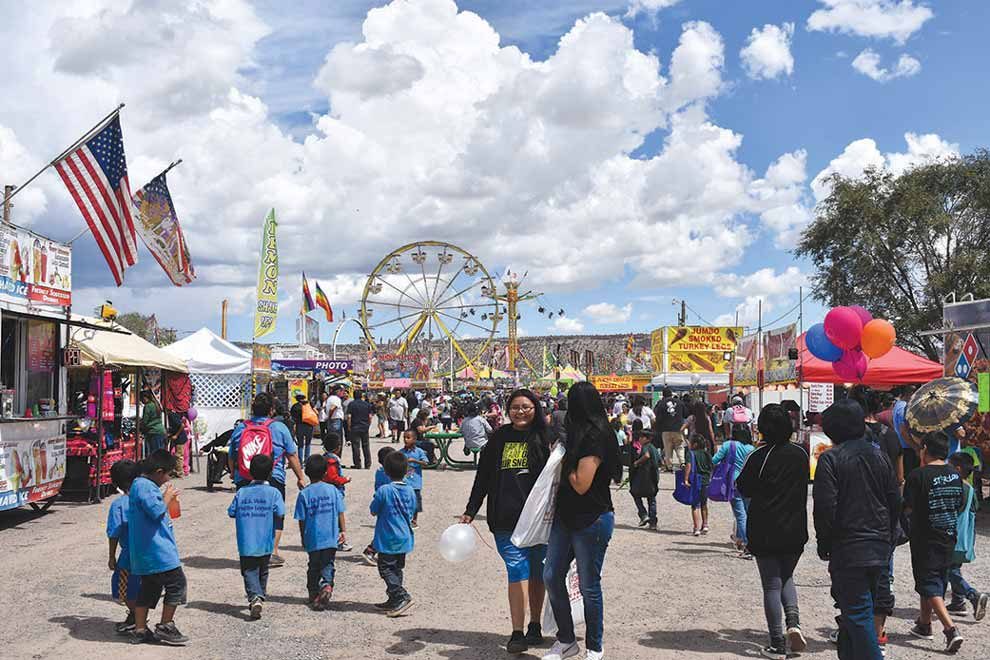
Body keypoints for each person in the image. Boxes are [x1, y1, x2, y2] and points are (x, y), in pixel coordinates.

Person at [462, 388, 550, 655]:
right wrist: (471, 508)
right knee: (517, 570)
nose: (520, 412)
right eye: (515, 407)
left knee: (538, 572)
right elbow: (484, 476)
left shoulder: (546, 438)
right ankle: (517, 632)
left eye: (526, 407)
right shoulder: (499, 438)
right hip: (505, 517)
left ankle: (535, 624)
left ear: (535, 408)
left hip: (539, 519)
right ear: (507, 410)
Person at [813, 399, 900, 660]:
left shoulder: (830, 459)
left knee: (858, 614)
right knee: (857, 614)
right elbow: (894, 500)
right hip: (879, 545)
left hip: (849, 547)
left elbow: (825, 507)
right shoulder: (879, 456)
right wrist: (890, 536)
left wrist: (824, 542)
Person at [543, 382, 620, 660]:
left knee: (589, 585)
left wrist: (561, 462)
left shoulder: (596, 437)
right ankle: (566, 639)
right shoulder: (577, 434)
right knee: (551, 576)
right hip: (566, 517)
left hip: (592, 519)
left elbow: (580, 484)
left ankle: (594, 645)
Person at [736, 404, 809, 660]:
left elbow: (742, 487)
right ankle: (794, 622)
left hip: (766, 528)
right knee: (787, 576)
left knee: (771, 585)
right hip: (795, 528)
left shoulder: (759, 456)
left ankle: (777, 643)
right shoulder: (801, 454)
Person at [903, 431, 965, 652]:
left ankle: (950, 630)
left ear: (925, 450)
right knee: (936, 579)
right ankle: (924, 623)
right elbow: (960, 502)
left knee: (929, 583)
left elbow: (907, 507)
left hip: (924, 538)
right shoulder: (955, 475)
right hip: (948, 536)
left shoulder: (917, 476)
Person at [228, 393, 306, 568]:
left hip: (245, 476)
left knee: (250, 514)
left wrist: (234, 473)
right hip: (273, 476)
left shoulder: (241, 428)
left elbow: (232, 453)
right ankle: (272, 551)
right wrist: (300, 477)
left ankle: (250, 551)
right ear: (271, 410)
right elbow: (292, 454)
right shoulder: (279, 428)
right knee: (276, 513)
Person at [127, 449, 188, 645]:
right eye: (168, 473)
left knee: (149, 588)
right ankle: (166, 626)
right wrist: (167, 497)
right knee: (177, 584)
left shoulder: (141, 485)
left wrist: (164, 497)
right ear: (159, 471)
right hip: (158, 551)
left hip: (148, 551)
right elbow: (155, 511)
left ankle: (140, 629)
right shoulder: (144, 486)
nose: (169, 478)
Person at [227, 454, 284, 619]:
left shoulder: (242, 492)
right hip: (266, 542)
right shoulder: (274, 492)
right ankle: (259, 595)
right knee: (263, 570)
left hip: (246, 543)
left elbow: (231, 512)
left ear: (250, 472)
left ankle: (255, 597)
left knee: (249, 571)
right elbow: (280, 512)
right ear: (270, 473)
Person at [295, 454, 347, 611]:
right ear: (325, 472)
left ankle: (313, 592)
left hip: (313, 537)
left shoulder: (304, 494)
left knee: (313, 565)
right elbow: (340, 512)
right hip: (331, 537)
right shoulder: (332, 490)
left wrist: (303, 537)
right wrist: (343, 530)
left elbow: (301, 519)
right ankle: (326, 586)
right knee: (328, 564)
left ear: (307, 473)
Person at [371, 450, 417, 616]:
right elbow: (412, 511)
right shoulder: (411, 491)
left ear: (386, 471)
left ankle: (401, 595)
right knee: (397, 568)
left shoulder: (384, 490)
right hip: (404, 536)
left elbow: (373, 510)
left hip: (388, 538)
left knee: (385, 568)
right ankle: (393, 599)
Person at [946, 452, 988, 621]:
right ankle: (957, 602)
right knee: (955, 567)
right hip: (965, 538)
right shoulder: (970, 489)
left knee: (949, 570)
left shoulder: (955, 488)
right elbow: (974, 509)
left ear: (956, 469)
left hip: (952, 537)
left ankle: (973, 595)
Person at [107, 459, 141, 634]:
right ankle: (136, 617)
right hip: (149, 552)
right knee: (141, 586)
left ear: (115, 483)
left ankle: (136, 617)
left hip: (129, 555)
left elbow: (114, 532)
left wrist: (112, 556)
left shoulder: (118, 505)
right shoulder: (148, 498)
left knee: (123, 587)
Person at [712, 425, 755, 558]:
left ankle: (745, 543)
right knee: (749, 513)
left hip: (733, 482)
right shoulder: (751, 448)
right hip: (749, 483)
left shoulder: (728, 445)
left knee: (740, 515)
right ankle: (747, 538)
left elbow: (714, 460)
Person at [362, 446, 396, 566]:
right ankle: (370, 550)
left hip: (382, 504)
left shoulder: (379, 472)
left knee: (386, 529)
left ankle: (382, 551)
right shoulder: (388, 474)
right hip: (388, 505)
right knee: (386, 530)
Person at [628, 421, 660, 531]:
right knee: (652, 499)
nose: (640, 439)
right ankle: (653, 522)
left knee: (635, 493)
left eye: (642, 437)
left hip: (645, 477)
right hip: (654, 478)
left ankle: (643, 514)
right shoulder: (655, 449)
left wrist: (637, 463)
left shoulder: (646, 447)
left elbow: (646, 456)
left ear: (647, 439)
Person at [683, 433, 712, 537]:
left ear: (694, 444)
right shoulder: (706, 453)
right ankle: (705, 525)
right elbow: (711, 466)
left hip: (695, 481)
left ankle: (696, 528)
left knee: (695, 505)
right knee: (704, 504)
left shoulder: (691, 454)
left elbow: (689, 466)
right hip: (705, 481)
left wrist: (686, 479)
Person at [400, 429, 429, 528]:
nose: (405, 440)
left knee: (416, 501)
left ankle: (414, 520)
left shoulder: (419, 451)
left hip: (415, 483)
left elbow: (426, 463)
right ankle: (405, 519)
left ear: (414, 439)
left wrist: (415, 461)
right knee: (404, 501)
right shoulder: (401, 452)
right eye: (404, 437)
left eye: (408, 438)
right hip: (404, 482)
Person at [654, 387, 686, 471]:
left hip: (665, 429)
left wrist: (658, 428)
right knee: (679, 446)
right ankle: (682, 462)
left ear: (663, 395)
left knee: (668, 448)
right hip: (678, 428)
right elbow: (685, 413)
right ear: (671, 394)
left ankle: (670, 466)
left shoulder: (660, 404)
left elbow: (658, 417)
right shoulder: (679, 402)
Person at [346, 390, 375, 469]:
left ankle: (357, 464)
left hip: (355, 427)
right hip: (364, 427)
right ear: (361, 396)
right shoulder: (367, 404)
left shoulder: (351, 404)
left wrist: (349, 426)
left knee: (356, 446)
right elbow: (370, 417)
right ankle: (367, 464)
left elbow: (349, 417)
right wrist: (368, 425)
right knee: (366, 446)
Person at [290, 394, 316, 463]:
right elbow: (316, 412)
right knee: (308, 443)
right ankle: (307, 460)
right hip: (309, 426)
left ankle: (300, 461)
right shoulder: (309, 405)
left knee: (300, 444)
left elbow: (292, 417)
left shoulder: (295, 406)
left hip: (299, 426)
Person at [139, 390, 166, 455]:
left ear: (145, 397)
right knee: (160, 453)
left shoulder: (148, 406)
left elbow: (145, 421)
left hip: (153, 432)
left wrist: (139, 426)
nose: (141, 401)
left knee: (154, 454)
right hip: (161, 431)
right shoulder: (155, 404)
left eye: (141, 399)